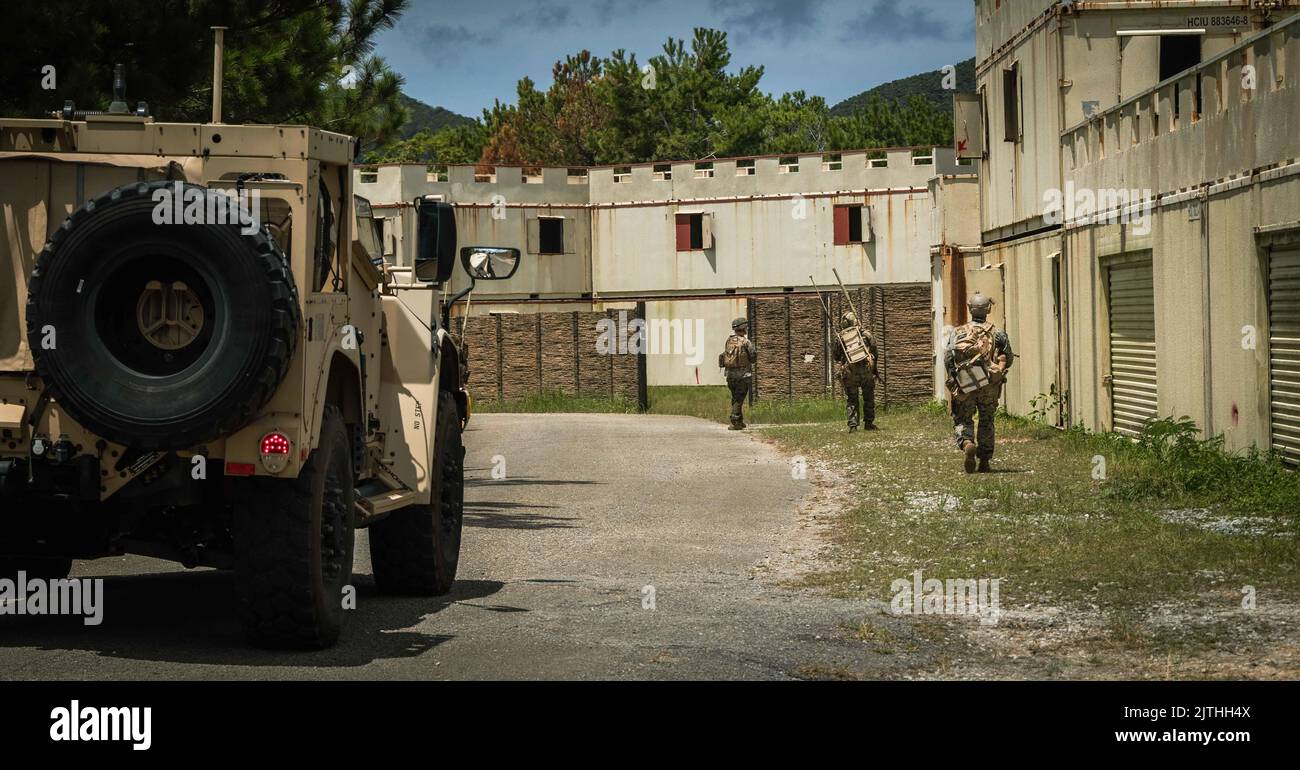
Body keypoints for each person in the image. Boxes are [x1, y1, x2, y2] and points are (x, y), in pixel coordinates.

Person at [945, 293, 1014, 473]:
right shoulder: (998, 333)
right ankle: (984, 461)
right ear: (988, 310)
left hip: (966, 382)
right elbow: (1009, 357)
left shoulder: (957, 332)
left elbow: (948, 359)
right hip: (989, 386)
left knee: (963, 418)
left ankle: (967, 443)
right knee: (986, 421)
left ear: (969, 309)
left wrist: (955, 379)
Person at [832, 311, 879, 432]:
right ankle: (869, 423)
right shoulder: (866, 334)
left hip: (850, 372)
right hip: (866, 371)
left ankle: (853, 425)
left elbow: (836, 357)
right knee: (868, 397)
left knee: (852, 399)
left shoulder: (840, 338)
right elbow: (874, 350)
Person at [719, 317, 756, 430]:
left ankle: (739, 421)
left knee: (735, 397)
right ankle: (735, 420)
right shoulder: (745, 342)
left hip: (730, 375)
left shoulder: (729, 340)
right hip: (743, 375)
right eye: (746, 326)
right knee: (739, 399)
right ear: (743, 327)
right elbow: (753, 357)